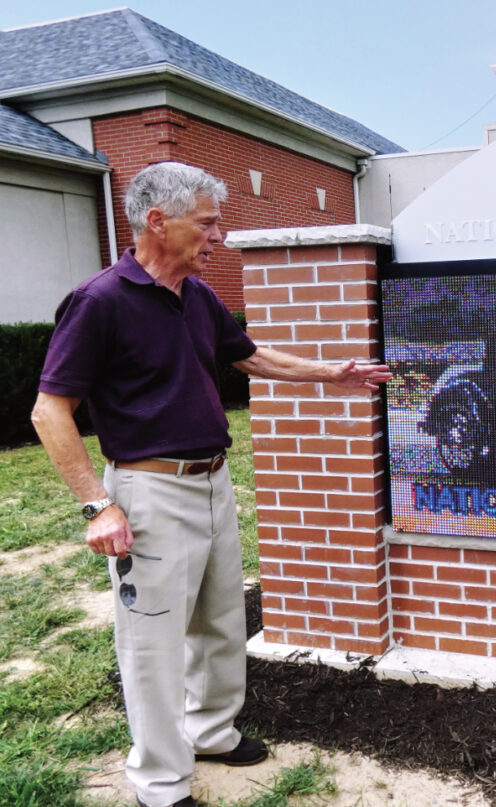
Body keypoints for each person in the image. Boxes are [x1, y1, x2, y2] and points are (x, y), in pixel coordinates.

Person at [31, 161, 392, 807]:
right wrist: (98, 505)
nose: (218, 236)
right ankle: (160, 782)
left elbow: (249, 354)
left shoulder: (195, 295)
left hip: (212, 482)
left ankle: (211, 731)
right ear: (157, 220)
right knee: (154, 644)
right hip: (147, 492)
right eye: (208, 223)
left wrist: (331, 373)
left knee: (222, 621)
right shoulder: (100, 301)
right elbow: (50, 409)